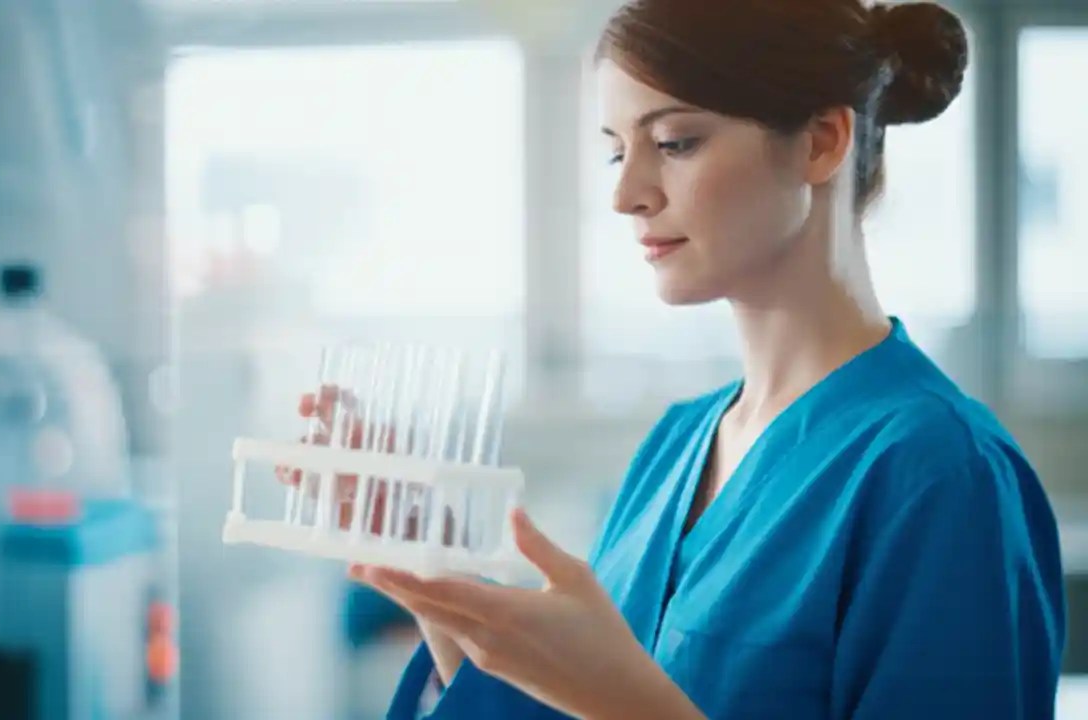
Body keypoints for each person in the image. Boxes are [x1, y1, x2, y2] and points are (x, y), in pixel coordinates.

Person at [316, 1, 1068, 718]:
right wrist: (430, 570)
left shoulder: (941, 473)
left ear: (822, 142)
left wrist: (624, 703)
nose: (625, 193)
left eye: (674, 142)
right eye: (616, 150)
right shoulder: (676, 446)